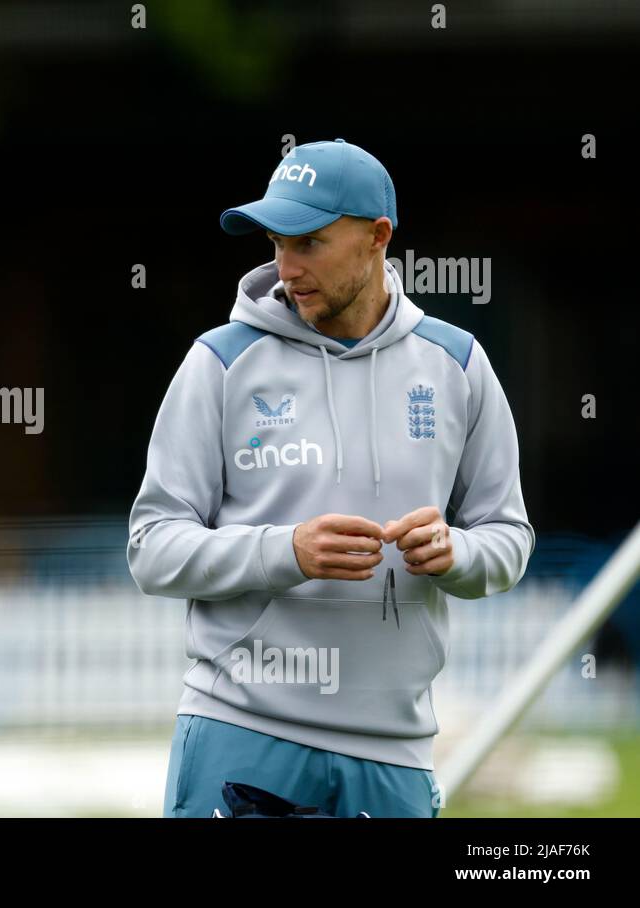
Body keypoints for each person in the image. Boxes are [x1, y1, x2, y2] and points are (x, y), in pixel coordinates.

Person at [127, 140, 535, 817]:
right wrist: (284, 552)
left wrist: (456, 554)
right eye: (277, 243)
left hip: (395, 754)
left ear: (378, 238)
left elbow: (509, 540)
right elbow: (151, 548)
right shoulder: (218, 363)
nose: (288, 268)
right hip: (243, 732)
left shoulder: (457, 364)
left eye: (310, 243)